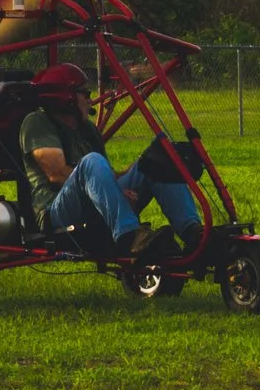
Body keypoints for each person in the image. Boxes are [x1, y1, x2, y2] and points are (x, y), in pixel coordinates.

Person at [17, 64, 202, 258]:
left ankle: (192, 232)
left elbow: (104, 176)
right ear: (66, 97)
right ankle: (130, 236)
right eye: (85, 93)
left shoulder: (87, 129)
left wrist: (141, 164)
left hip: (92, 202)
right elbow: (57, 174)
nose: (91, 100)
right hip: (56, 211)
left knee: (159, 160)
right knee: (92, 161)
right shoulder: (37, 122)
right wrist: (115, 192)